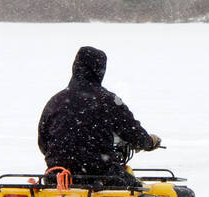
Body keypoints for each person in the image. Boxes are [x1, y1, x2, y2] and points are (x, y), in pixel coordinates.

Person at [37, 46, 160, 182]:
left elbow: (43, 143)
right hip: (100, 175)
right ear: (100, 70)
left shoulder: (55, 101)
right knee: (139, 191)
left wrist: (66, 156)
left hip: (57, 177)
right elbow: (133, 132)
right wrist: (149, 142)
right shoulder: (108, 100)